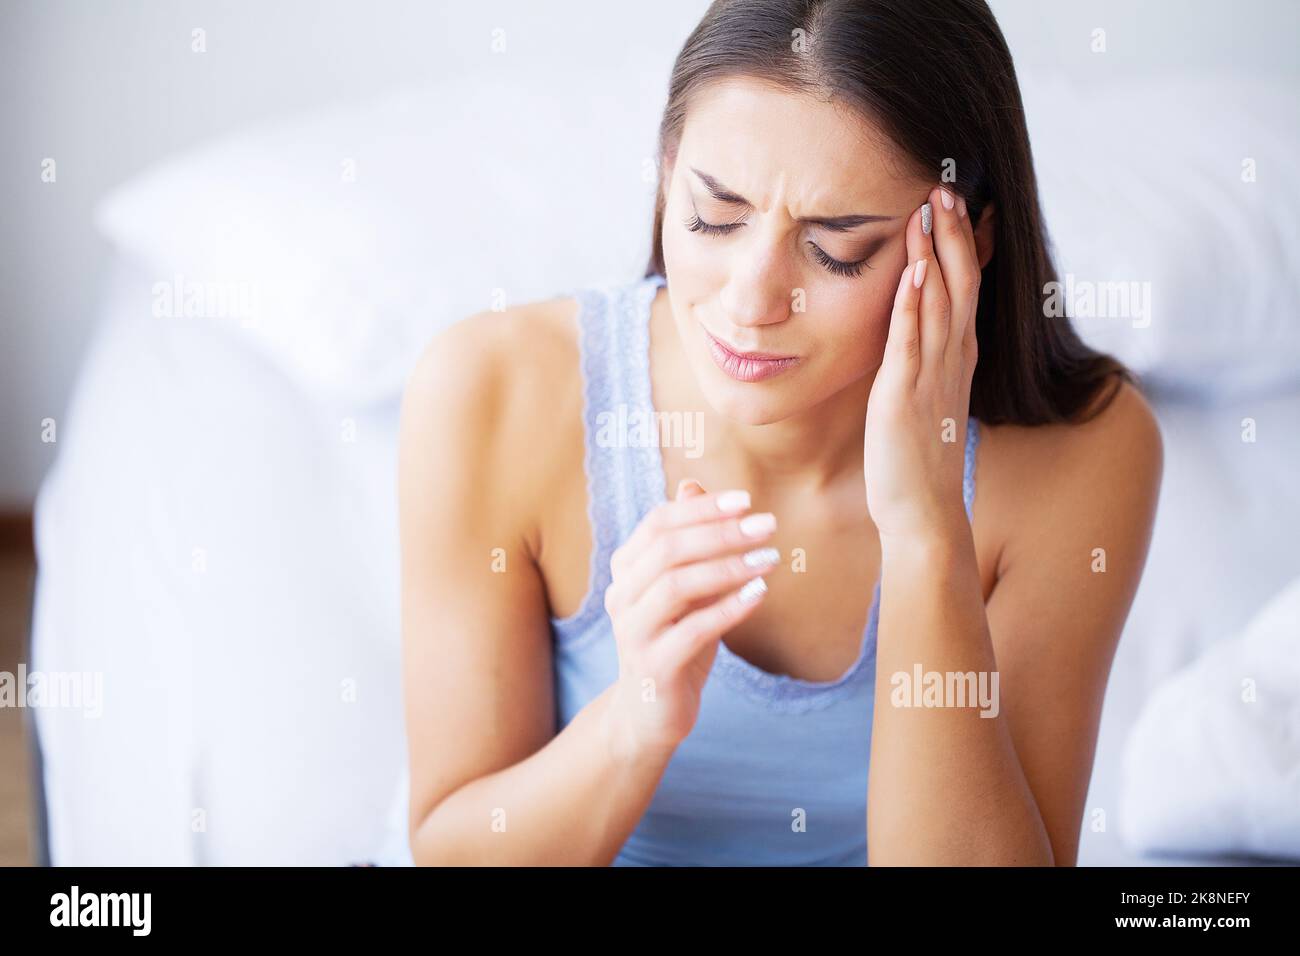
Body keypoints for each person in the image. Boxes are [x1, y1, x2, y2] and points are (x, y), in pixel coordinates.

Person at [397, 0, 1163, 866]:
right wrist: (635, 720)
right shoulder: (489, 388)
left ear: (967, 242)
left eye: (837, 249)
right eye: (717, 216)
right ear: (665, 170)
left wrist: (925, 536)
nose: (753, 301)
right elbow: (449, 846)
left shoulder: (1087, 452)